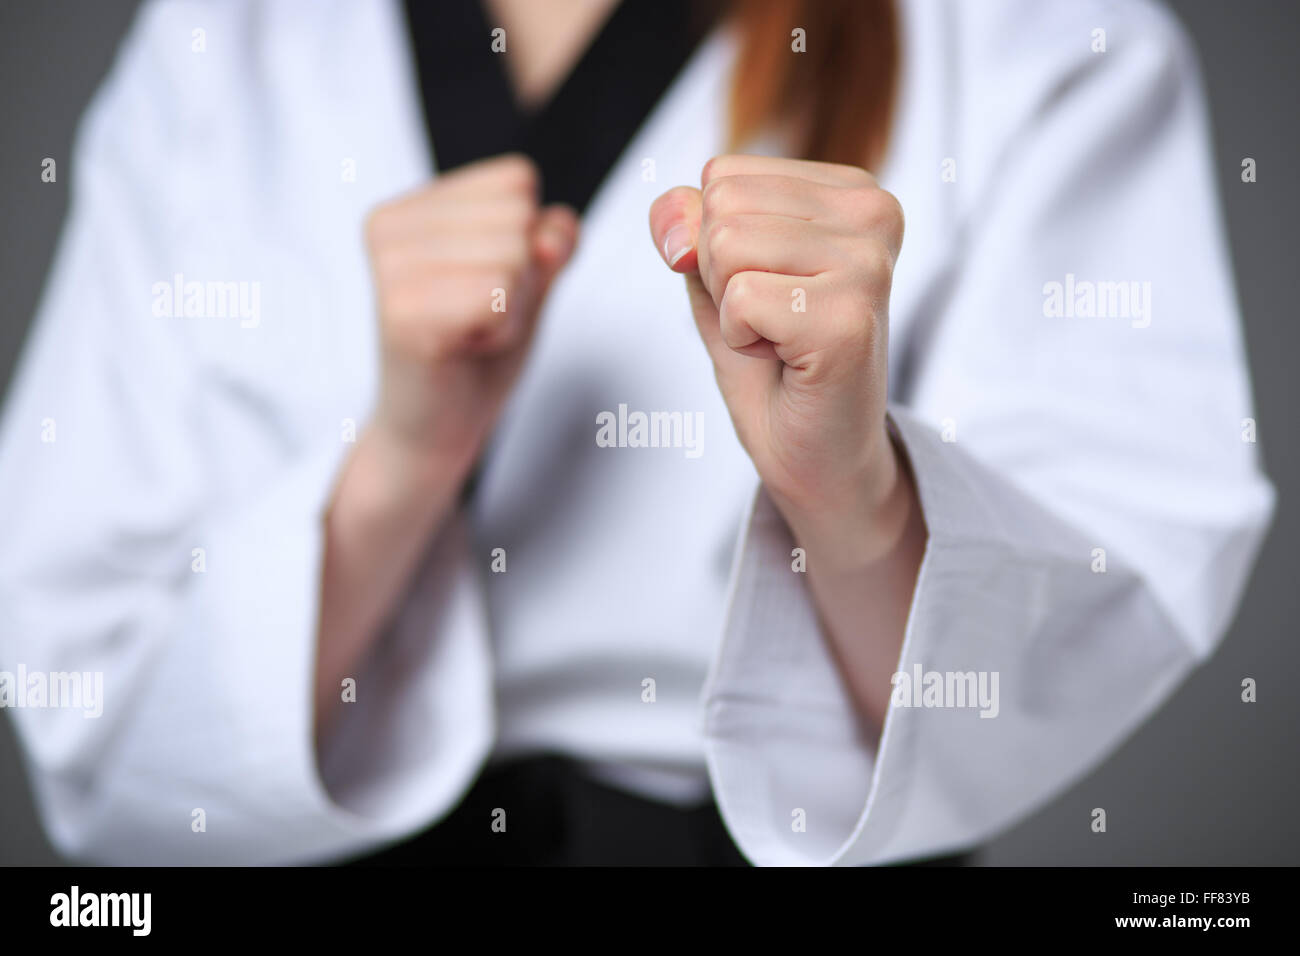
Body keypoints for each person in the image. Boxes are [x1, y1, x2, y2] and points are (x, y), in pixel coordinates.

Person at [0, 0, 1273, 867]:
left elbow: (1042, 668)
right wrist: (399, 465)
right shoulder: (227, 35)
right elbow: (91, 700)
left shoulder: (1032, 37)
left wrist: (848, 491)